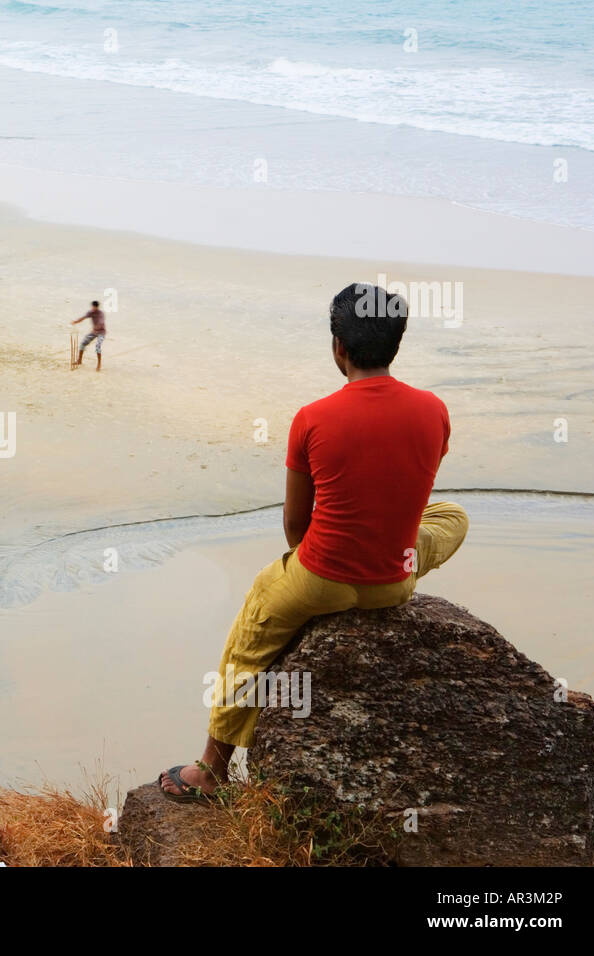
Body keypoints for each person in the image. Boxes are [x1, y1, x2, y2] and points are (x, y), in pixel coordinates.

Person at [158, 283, 468, 802]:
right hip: (394, 580)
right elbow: (406, 490)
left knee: (250, 635)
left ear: (338, 348)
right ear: (397, 344)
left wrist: (321, 556)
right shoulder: (434, 410)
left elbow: (295, 527)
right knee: (452, 515)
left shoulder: (312, 418)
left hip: (322, 578)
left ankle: (211, 770)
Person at [71, 300, 106, 371]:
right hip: (94, 332)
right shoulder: (90, 312)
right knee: (83, 343)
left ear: (97, 307)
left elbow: (101, 322)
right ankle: (79, 361)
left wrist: (96, 328)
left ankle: (99, 365)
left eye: (94, 307)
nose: (93, 308)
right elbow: (83, 317)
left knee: (97, 346)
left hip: (101, 333)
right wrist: (76, 322)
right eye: (93, 307)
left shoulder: (101, 313)